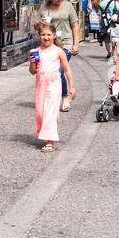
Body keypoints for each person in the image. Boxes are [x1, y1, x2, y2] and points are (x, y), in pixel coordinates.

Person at [30, 20, 73, 152]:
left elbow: (67, 69)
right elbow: (32, 72)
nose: (46, 37)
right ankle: (43, 133)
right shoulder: (36, 51)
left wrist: (71, 87)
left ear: (54, 35)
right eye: (43, 35)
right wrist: (32, 63)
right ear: (39, 36)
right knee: (40, 113)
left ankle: (50, 141)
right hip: (41, 85)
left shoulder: (58, 51)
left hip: (54, 85)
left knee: (50, 112)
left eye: (48, 34)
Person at [43, 0, 80, 111]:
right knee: (49, 72)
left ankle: (65, 97)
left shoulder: (68, 6)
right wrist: (42, 24)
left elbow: (75, 25)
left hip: (66, 43)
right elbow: (40, 28)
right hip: (51, 45)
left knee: (58, 71)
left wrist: (76, 44)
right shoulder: (45, 8)